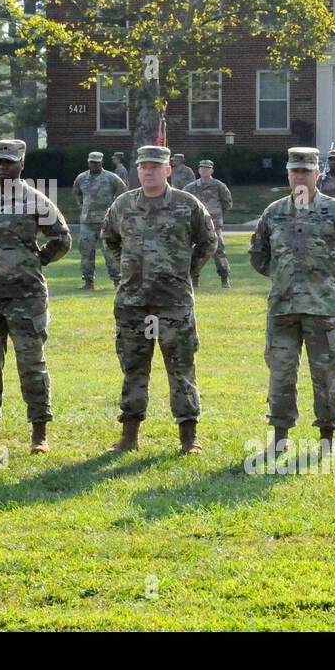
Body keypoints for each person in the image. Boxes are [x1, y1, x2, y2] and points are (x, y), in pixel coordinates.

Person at [249, 147, 335, 457]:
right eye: (295, 171)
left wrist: (331, 274)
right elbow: (257, 254)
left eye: (306, 171)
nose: (300, 176)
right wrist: (281, 275)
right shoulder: (274, 213)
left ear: (318, 174)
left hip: (323, 309)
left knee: (326, 374)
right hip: (283, 310)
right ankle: (279, 438)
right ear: (288, 174)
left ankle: (327, 439)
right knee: (280, 373)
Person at [0, 139, 71, 455]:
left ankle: (39, 434)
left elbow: (61, 239)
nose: (3, 167)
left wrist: (35, 260)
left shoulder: (36, 201)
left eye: (9, 162)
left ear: (21, 164)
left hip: (26, 297)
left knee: (31, 365)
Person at [102, 146, 217, 455]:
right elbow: (109, 239)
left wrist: (186, 272)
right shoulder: (123, 205)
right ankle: (129, 436)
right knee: (134, 368)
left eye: (155, 166)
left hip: (173, 303)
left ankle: (188, 437)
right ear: (137, 170)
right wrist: (128, 270)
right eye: (143, 166)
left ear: (168, 170)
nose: (148, 171)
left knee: (181, 369)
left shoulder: (186, 204)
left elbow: (208, 241)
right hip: (133, 304)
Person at [73, 151, 127, 289]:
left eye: (96, 162)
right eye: (92, 162)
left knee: (110, 253)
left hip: (106, 222)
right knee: (86, 253)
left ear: (101, 162)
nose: (94, 164)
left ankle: (117, 281)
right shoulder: (81, 178)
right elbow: (77, 193)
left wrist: (114, 209)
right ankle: (88, 282)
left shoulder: (111, 178)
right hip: (87, 222)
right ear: (88, 162)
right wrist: (82, 206)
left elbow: (123, 193)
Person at [183, 159, 233, 287]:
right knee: (193, 251)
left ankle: (224, 278)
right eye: (202, 168)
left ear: (212, 170)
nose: (204, 170)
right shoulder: (191, 187)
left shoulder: (218, 186)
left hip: (213, 224)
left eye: (207, 168)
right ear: (198, 170)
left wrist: (217, 216)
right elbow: (183, 202)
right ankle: (194, 277)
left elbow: (227, 202)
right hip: (195, 224)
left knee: (219, 250)